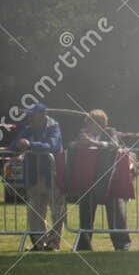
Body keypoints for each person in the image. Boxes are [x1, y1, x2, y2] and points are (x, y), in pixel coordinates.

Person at [70, 110, 132, 251]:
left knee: (116, 213)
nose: (87, 126)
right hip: (88, 180)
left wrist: (93, 143)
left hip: (110, 179)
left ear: (100, 124)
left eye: (90, 123)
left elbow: (113, 145)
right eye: (87, 123)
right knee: (86, 213)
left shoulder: (110, 132)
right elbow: (72, 145)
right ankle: (84, 245)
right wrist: (77, 144)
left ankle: (122, 244)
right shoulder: (83, 133)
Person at [7, 103, 63, 250]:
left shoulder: (54, 127)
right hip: (33, 177)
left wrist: (30, 145)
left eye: (32, 114)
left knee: (57, 212)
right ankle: (39, 245)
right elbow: (13, 145)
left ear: (42, 115)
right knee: (35, 213)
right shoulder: (28, 128)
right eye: (28, 114)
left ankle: (53, 243)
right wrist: (20, 144)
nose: (29, 117)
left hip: (53, 176)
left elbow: (52, 146)